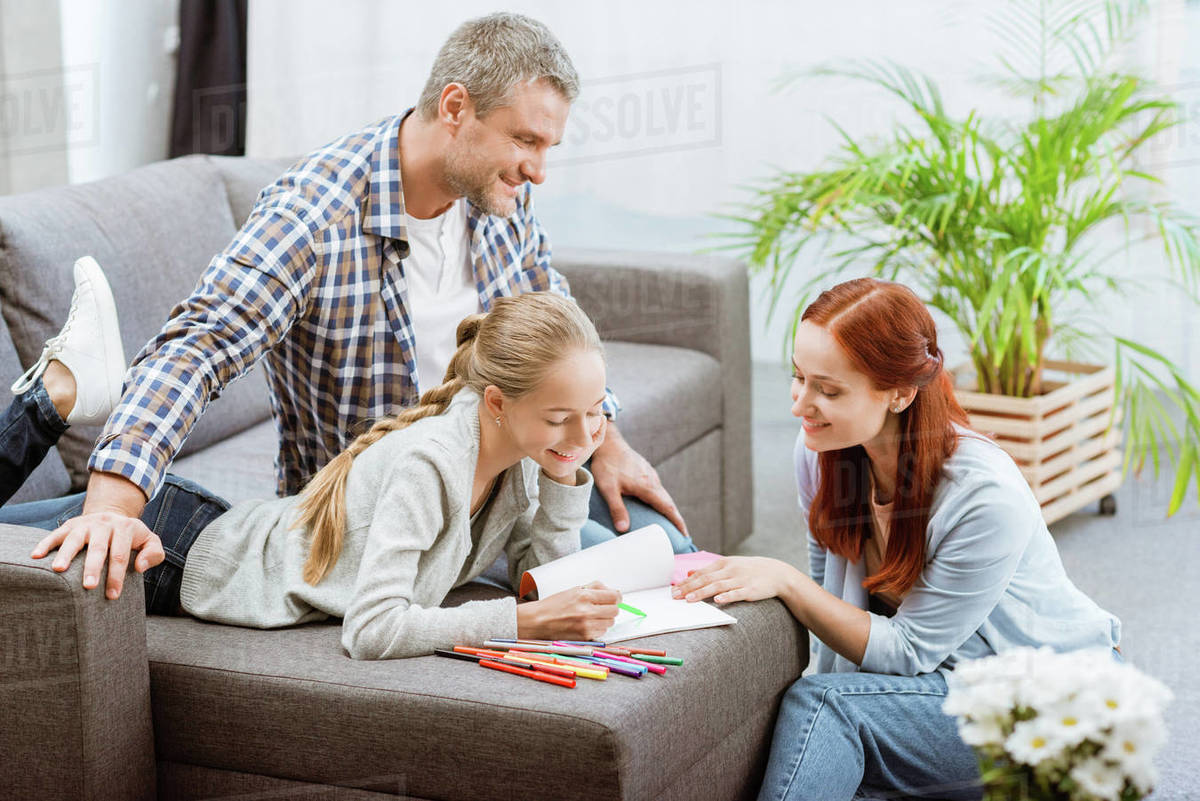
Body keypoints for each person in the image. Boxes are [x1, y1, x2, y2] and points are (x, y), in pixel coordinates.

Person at [13, 12, 693, 604]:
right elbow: (200, 344)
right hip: (388, 524)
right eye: (526, 141)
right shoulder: (317, 213)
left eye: (548, 147)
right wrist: (110, 503)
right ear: (455, 107)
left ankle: (43, 405)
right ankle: (46, 406)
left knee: (666, 546)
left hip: (495, 503)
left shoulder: (496, 199)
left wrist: (602, 438)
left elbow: (549, 306)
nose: (539, 169)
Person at [671, 278, 1122, 801]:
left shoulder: (983, 495)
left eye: (829, 390)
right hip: (937, 690)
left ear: (900, 394)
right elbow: (836, 610)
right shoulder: (821, 452)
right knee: (827, 751)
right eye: (798, 378)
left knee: (824, 709)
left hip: (1047, 701)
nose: (800, 405)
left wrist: (785, 581)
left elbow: (907, 650)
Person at [6, 289, 626, 657]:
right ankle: (52, 398)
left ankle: (60, 394)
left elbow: (538, 578)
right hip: (174, 548)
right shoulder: (432, 462)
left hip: (212, 529)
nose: (584, 434)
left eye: (596, 412)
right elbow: (373, 630)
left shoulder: (521, 457)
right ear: (497, 402)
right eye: (560, 418)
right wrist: (520, 623)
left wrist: (565, 475)